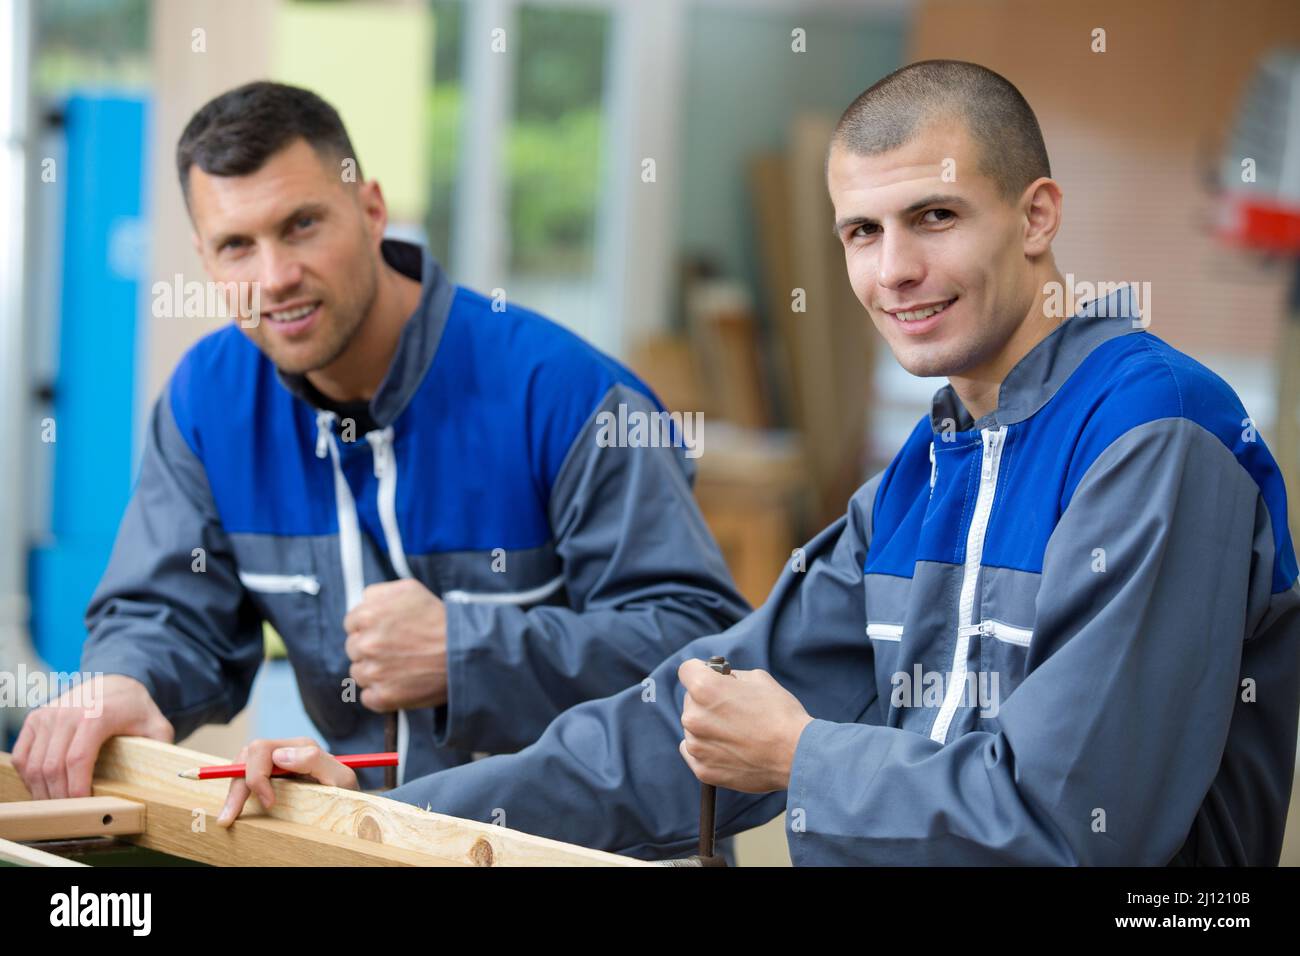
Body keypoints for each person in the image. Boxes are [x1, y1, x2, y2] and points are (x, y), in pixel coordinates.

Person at [218, 60, 1300, 865]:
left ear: (1036, 215)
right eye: (860, 233)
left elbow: (1078, 826)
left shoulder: (1153, 441)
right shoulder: (927, 473)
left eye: (933, 217)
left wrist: (804, 758)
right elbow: (686, 714)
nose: (896, 270)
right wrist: (395, 815)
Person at [12, 81, 750, 802]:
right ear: (207, 262)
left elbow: (702, 648)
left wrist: (469, 653)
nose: (276, 277)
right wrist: (126, 678)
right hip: (377, 841)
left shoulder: (569, 397)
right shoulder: (210, 402)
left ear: (371, 211)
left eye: (302, 225)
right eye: (237, 245)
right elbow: (166, 614)